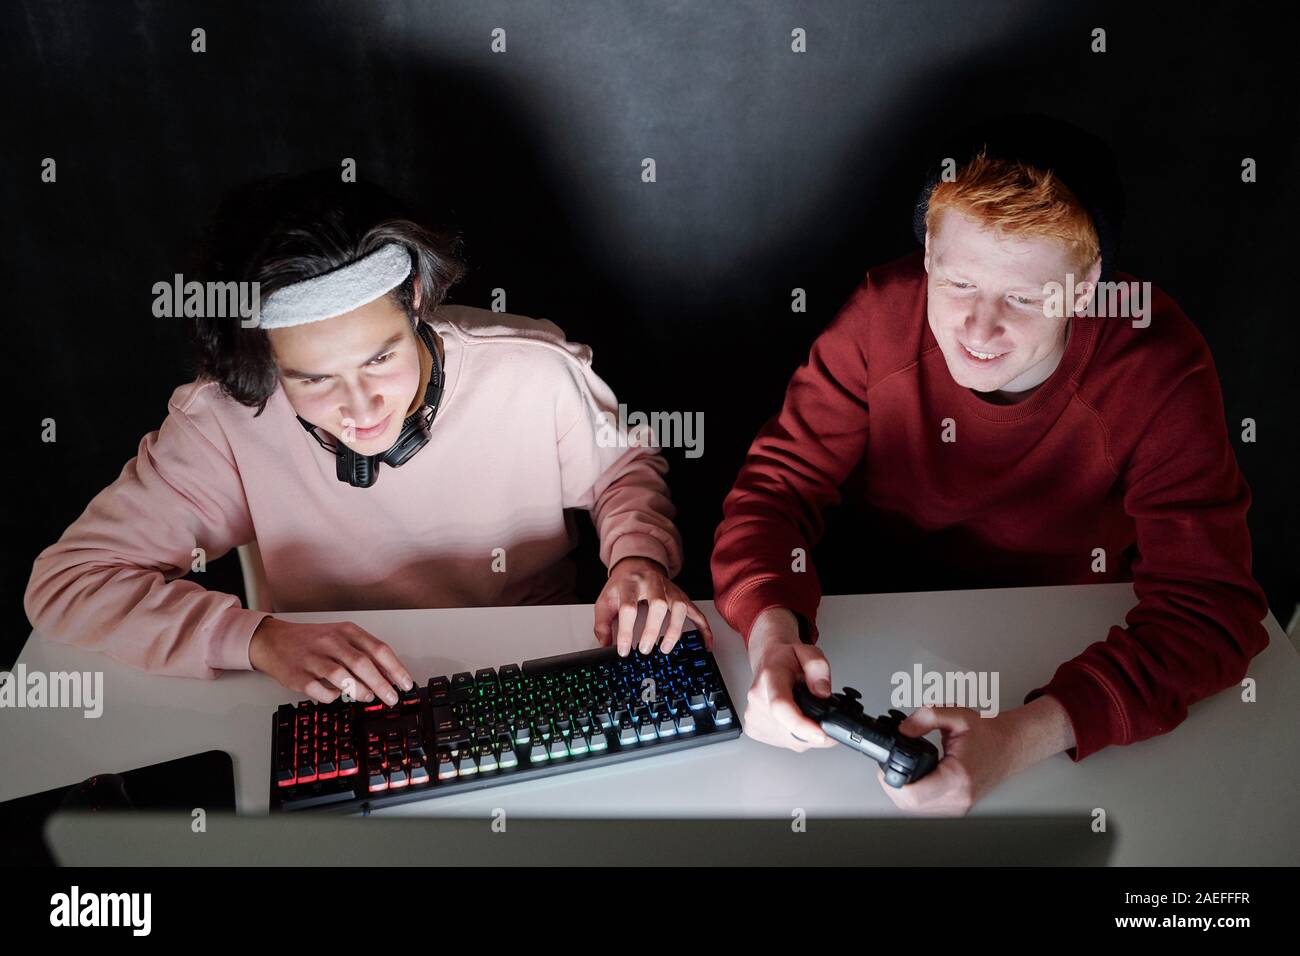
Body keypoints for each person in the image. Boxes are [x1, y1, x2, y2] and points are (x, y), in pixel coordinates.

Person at [711, 115, 1269, 814]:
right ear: (928, 260)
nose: (978, 330)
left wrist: (1021, 737)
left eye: (1025, 298)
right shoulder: (880, 315)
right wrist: (770, 630)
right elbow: (775, 489)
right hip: (878, 630)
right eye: (959, 284)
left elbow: (1213, 610)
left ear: (1087, 283)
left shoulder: (1158, 362)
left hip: (1079, 644)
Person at [24, 171, 711, 704]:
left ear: (414, 302)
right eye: (314, 381)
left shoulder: (532, 368)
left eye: (380, 358)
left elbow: (620, 472)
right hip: (340, 695)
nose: (358, 411)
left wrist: (637, 562)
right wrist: (254, 639)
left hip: (540, 665)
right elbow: (68, 582)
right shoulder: (225, 422)